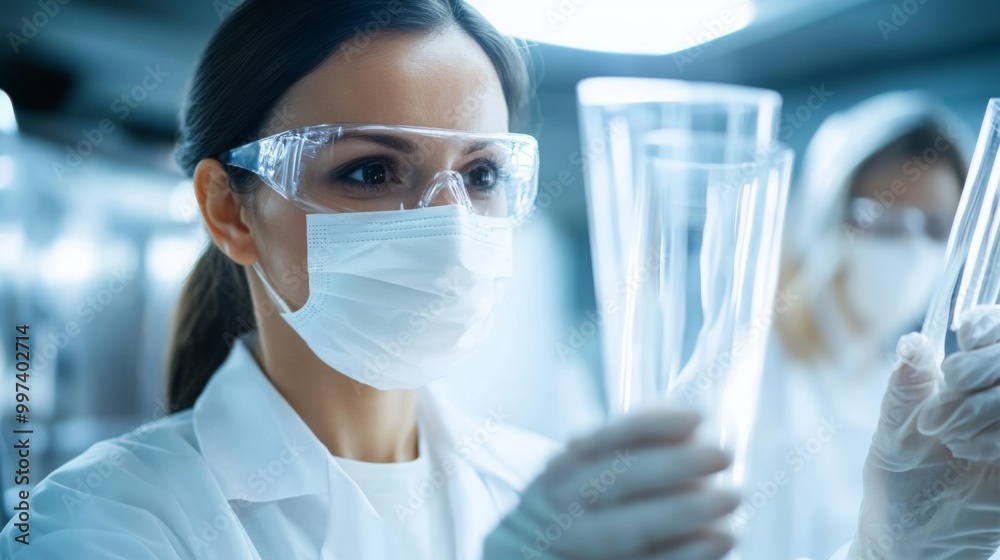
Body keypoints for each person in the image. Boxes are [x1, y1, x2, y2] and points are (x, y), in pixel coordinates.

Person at [0, 1, 741, 558]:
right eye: (370, 171)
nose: (450, 225)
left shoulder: (547, 491)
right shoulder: (100, 519)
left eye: (480, 174)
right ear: (230, 212)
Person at [740, 91, 973, 558]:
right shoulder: (752, 372)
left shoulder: (900, 388)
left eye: (934, 227)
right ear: (826, 218)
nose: (910, 249)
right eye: (882, 219)